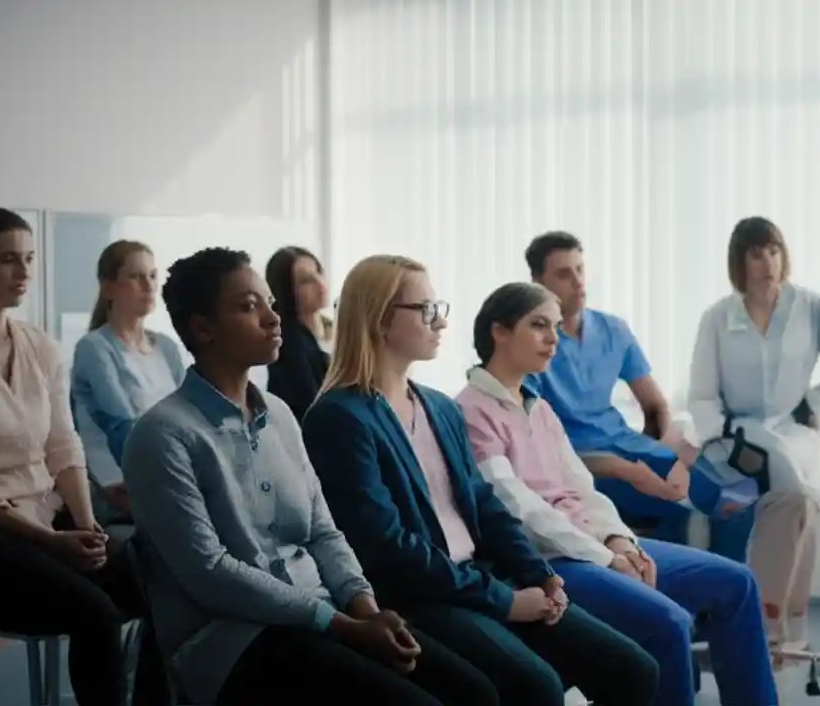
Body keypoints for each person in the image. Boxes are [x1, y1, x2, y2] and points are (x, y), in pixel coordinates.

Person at [122, 247, 498, 705]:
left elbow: (323, 530)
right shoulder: (163, 435)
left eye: (270, 303)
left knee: (475, 692)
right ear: (203, 328)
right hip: (234, 639)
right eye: (248, 306)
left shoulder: (279, 415)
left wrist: (367, 608)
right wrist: (342, 625)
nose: (272, 318)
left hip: (325, 613)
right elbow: (210, 571)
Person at [302, 254, 660, 706]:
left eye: (440, 308)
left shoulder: (439, 407)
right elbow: (387, 547)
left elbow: (485, 503)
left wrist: (539, 574)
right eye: (426, 310)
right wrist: (504, 601)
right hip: (420, 596)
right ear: (380, 319)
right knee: (537, 688)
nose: (440, 322)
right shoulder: (340, 417)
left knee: (633, 669)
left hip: (479, 578)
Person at [457, 281, 779, 706]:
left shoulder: (539, 406)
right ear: (499, 331)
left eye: (555, 326)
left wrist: (618, 539)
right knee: (669, 623)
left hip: (593, 543)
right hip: (547, 560)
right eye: (539, 326)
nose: (554, 339)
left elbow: (581, 487)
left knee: (736, 583)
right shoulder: (470, 411)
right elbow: (520, 510)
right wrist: (607, 558)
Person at [0, 208, 145, 705]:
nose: (24, 273)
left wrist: (86, 524)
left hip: (46, 525)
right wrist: (54, 541)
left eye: (30, 260)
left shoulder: (39, 346)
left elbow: (64, 444)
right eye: (8, 260)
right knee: (97, 613)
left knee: (162, 576)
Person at [682, 217, 820, 651]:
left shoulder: (808, 308)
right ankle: (776, 625)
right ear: (740, 261)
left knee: (801, 506)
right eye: (756, 253)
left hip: (799, 431)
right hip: (740, 438)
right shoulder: (718, 318)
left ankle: (780, 623)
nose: (767, 261)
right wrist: (723, 435)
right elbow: (700, 397)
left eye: (773, 250)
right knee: (796, 499)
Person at [524, 231, 693, 543]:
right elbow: (534, 444)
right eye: (564, 274)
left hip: (626, 444)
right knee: (680, 506)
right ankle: (657, 581)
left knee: (720, 490)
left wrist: (651, 453)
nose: (578, 282)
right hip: (582, 465)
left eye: (580, 270)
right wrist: (624, 469)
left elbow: (655, 405)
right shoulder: (531, 342)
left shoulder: (613, 329)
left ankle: (734, 587)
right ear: (538, 282)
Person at [71, 240, 185, 527]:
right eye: (135, 277)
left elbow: (190, 417)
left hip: (171, 474)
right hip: (117, 484)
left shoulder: (166, 347)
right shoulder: (95, 348)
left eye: (152, 275)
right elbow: (121, 426)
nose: (148, 285)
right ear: (109, 288)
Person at [265, 245, 334, 420]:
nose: (320, 283)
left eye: (319, 272)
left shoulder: (339, 330)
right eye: (306, 281)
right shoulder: (286, 346)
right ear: (287, 291)